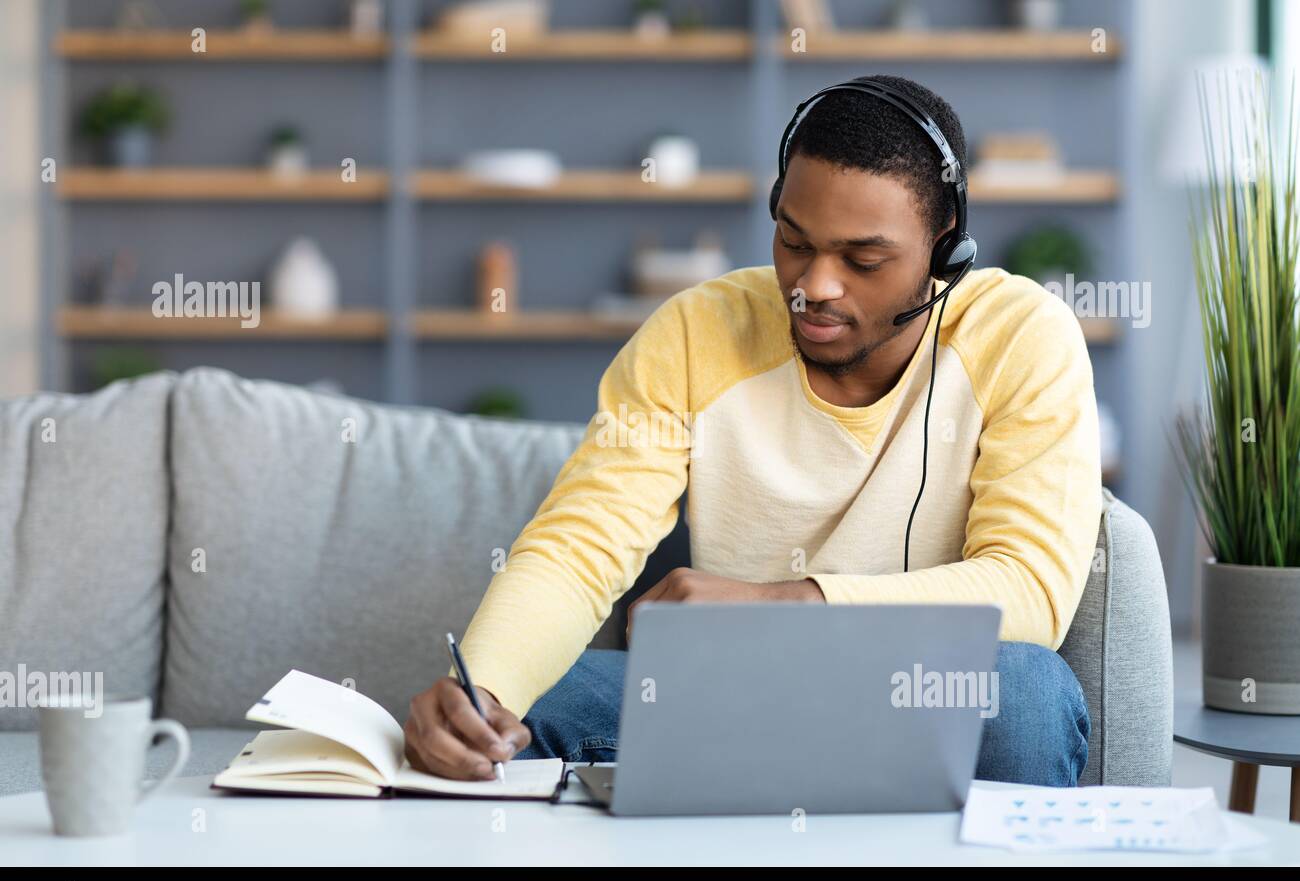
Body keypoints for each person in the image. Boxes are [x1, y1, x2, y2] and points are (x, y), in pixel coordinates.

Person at [404, 74, 1098, 787]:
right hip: (729, 698)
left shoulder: (1022, 337)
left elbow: (1030, 590)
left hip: (927, 696)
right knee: (531, 701)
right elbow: (580, 544)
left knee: (1024, 692)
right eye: (795, 242)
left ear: (943, 249)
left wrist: (783, 607)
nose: (814, 286)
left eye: (862, 260)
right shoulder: (695, 332)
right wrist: (481, 692)